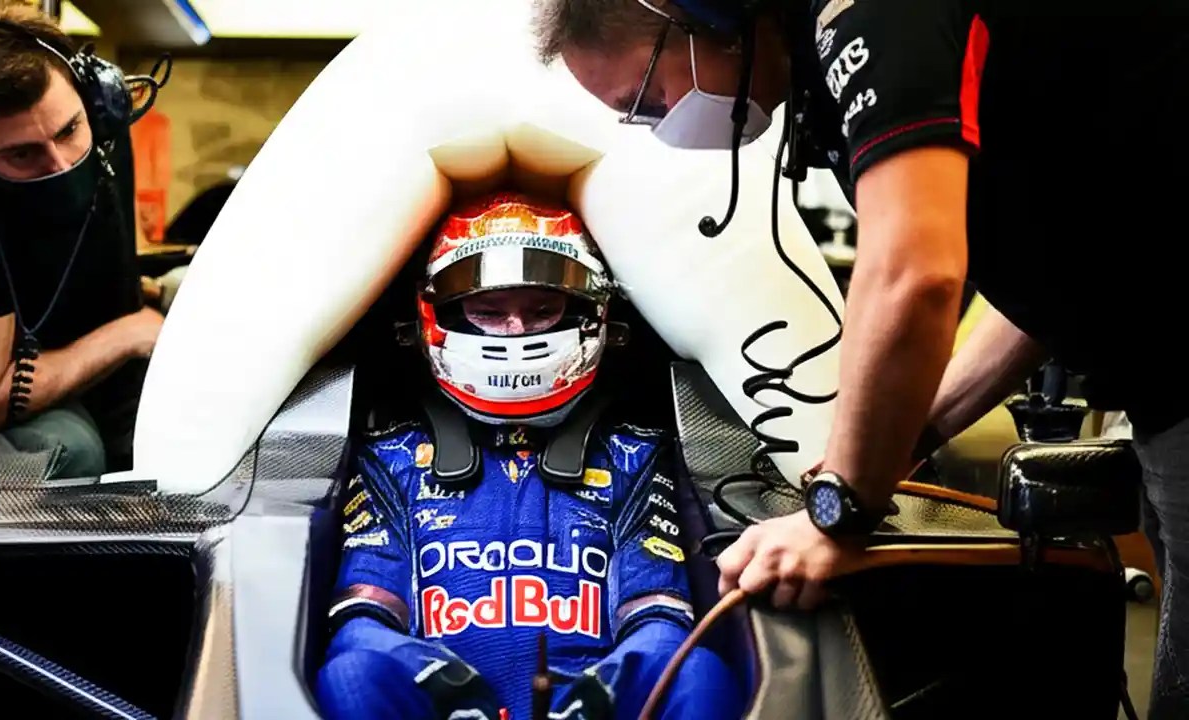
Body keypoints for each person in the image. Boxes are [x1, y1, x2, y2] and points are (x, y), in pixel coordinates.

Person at [533, 1, 1189, 716]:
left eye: (649, 99)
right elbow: (1059, 279)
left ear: (701, 10)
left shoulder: (874, 12)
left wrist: (837, 511)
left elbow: (916, 272)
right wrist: (913, 433)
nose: (663, 125)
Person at [315, 192, 744, 720]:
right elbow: (364, 621)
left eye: (543, 311)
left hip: (592, 704)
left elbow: (657, 618)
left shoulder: (633, 450)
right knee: (352, 674)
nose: (517, 332)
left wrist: (605, 693)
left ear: (592, 312)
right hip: (441, 708)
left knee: (697, 673)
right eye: (489, 312)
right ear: (442, 316)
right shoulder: (396, 453)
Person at [0, 2, 166, 478]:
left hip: (51, 344)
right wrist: (126, 335)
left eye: (68, 131)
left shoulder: (104, 129)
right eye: (22, 153)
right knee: (69, 449)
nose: (62, 161)